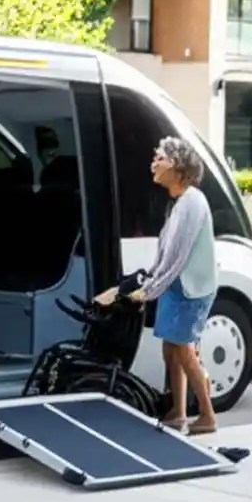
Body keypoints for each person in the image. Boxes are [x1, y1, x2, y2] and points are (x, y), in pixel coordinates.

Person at [95, 136, 219, 435]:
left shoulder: (191, 203)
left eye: (160, 158)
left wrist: (145, 292)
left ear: (177, 166)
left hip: (190, 288)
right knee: (171, 350)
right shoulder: (179, 203)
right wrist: (141, 284)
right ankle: (178, 412)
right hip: (176, 286)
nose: (154, 164)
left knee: (184, 351)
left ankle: (207, 415)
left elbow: (176, 258)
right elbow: (165, 257)